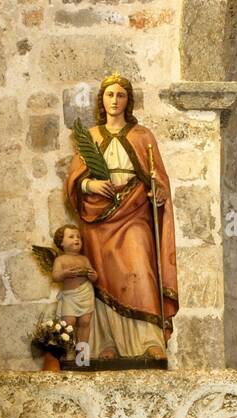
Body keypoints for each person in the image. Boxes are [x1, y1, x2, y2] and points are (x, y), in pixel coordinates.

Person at [64, 73, 178, 366]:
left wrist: (158, 189)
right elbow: (75, 180)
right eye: (109, 95)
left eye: (120, 95)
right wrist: (90, 185)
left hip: (134, 209)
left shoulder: (143, 136)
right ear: (102, 100)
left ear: (129, 101)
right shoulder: (90, 136)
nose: (115, 101)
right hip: (98, 216)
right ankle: (106, 343)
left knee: (140, 265)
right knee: (100, 275)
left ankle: (149, 340)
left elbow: (159, 180)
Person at [50, 224, 97, 350]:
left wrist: (93, 275)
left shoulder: (84, 259)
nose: (76, 239)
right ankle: (66, 354)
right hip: (70, 297)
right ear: (61, 243)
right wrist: (64, 273)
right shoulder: (60, 260)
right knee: (68, 323)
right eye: (71, 237)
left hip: (85, 293)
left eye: (78, 237)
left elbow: (93, 276)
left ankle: (82, 356)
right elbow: (55, 276)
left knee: (85, 322)